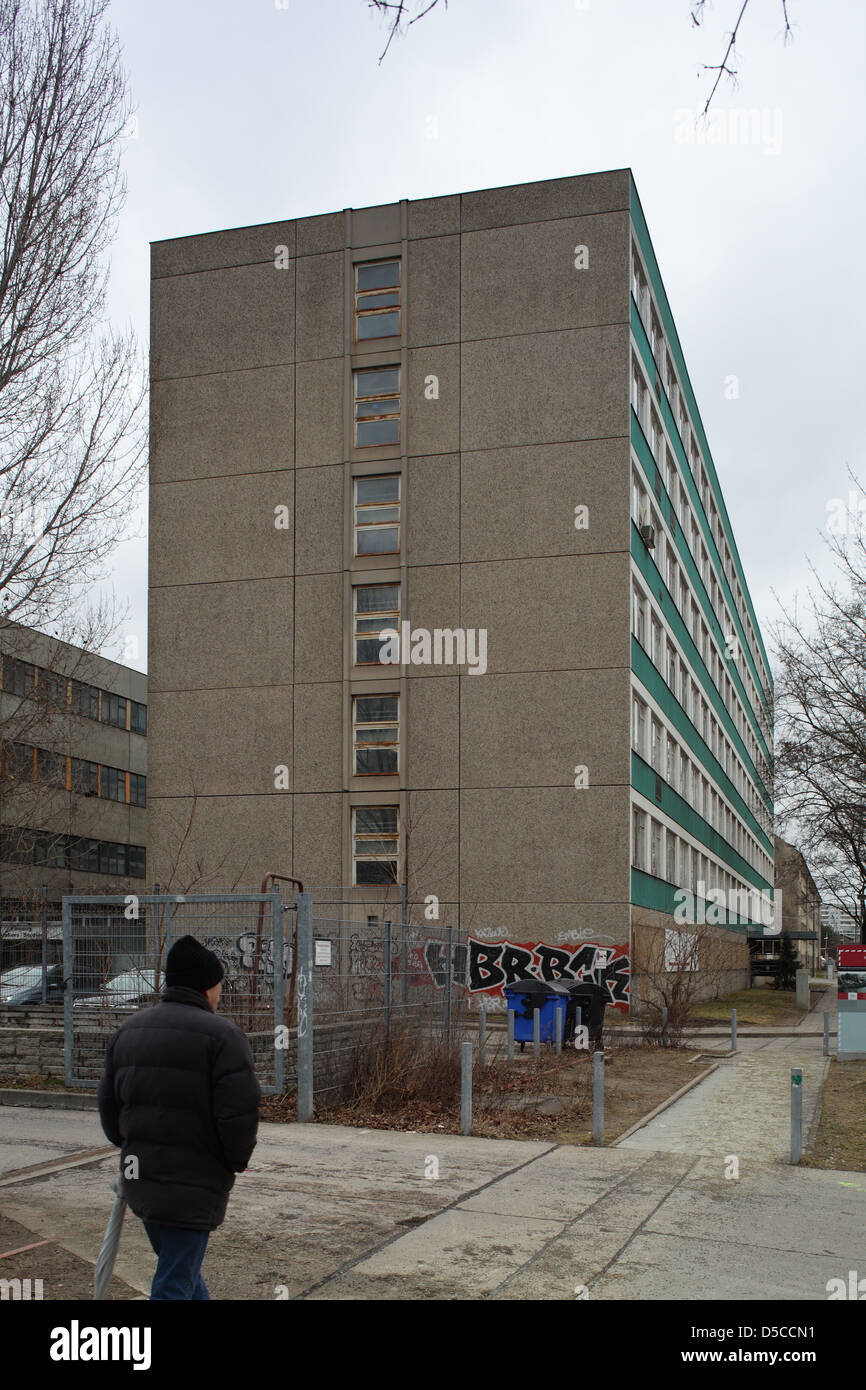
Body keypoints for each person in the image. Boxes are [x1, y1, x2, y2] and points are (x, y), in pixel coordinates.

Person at [98, 934, 260, 1300]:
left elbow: (109, 1108)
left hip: (143, 1180)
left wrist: (130, 1144)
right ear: (207, 987)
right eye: (219, 986)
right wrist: (235, 1161)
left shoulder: (129, 1031)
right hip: (194, 1185)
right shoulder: (224, 1037)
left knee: (180, 1269)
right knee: (174, 1281)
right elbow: (239, 1113)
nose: (220, 994)